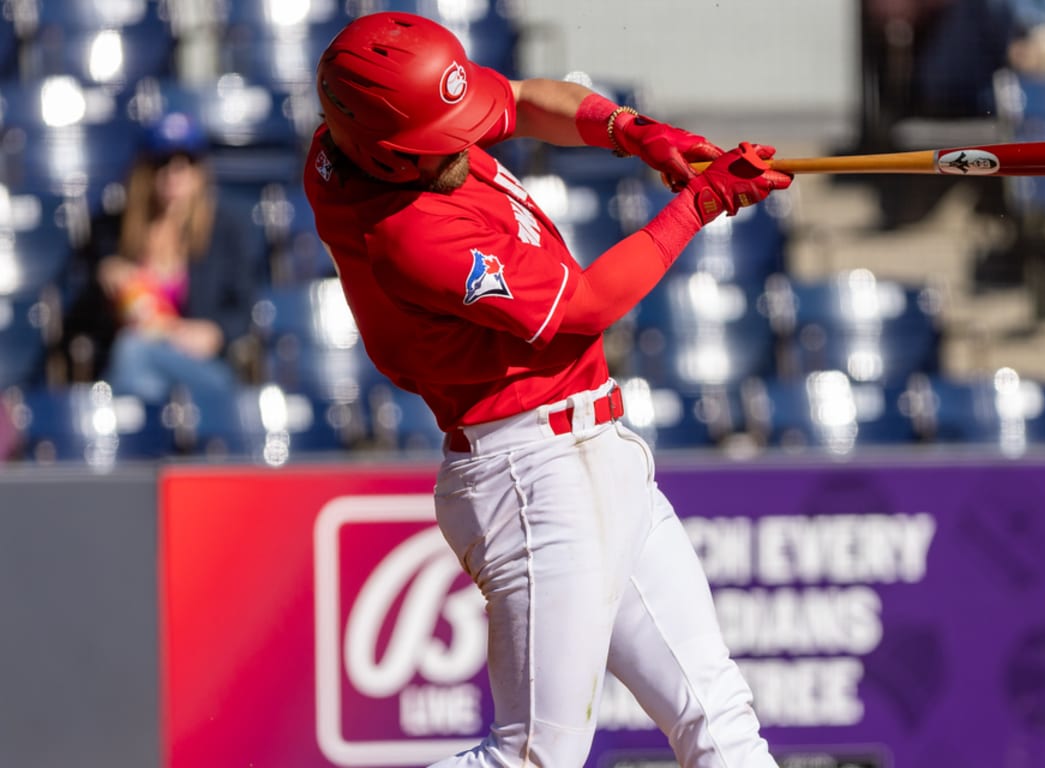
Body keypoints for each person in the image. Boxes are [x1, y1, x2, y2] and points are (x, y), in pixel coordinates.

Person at [303, 12, 792, 768]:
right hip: (528, 472)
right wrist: (699, 204)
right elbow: (589, 306)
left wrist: (637, 132)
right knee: (534, 757)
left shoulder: (375, 134)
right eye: (441, 138)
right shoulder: (410, 235)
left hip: (595, 449)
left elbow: (527, 99)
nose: (466, 142)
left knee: (720, 719)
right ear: (387, 154)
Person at [73, 111, 265, 405]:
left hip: (202, 370)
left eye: (185, 162)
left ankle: (128, 436)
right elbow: (81, 319)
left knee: (132, 350)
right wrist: (103, 281)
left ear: (199, 171)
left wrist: (215, 333)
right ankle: (158, 437)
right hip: (142, 368)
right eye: (161, 162)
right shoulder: (112, 233)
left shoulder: (226, 229)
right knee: (139, 365)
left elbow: (244, 307)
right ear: (144, 171)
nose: (173, 174)